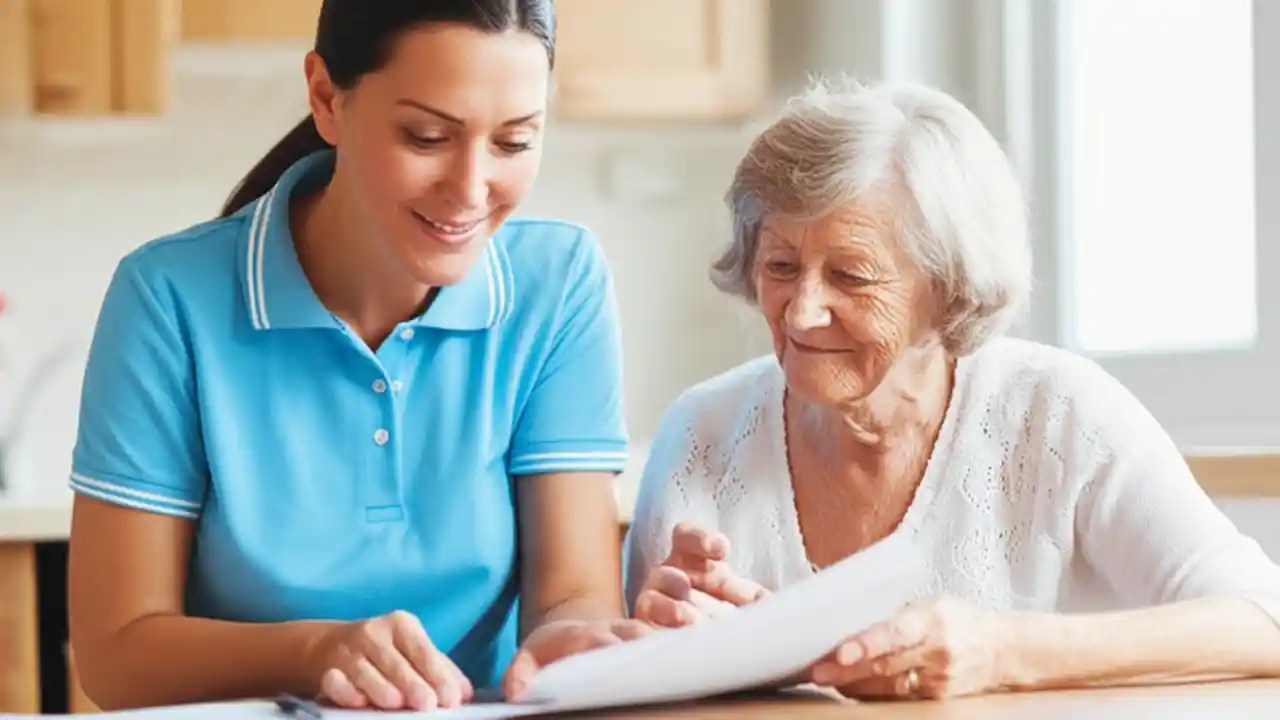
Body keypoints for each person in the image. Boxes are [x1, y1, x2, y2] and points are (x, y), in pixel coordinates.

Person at [67, 1, 648, 712]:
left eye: (514, 142)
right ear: (325, 99)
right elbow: (115, 654)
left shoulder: (559, 283)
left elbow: (573, 596)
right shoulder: (168, 297)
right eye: (426, 135)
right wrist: (315, 653)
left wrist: (578, 642)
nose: (470, 190)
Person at [625, 78, 1280, 701]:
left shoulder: (1060, 415)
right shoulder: (701, 435)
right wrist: (674, 652)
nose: (801, 313)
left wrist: (1005, 652)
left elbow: (1264, 619)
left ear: (949, 287)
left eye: (851, 276)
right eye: (780, 267)